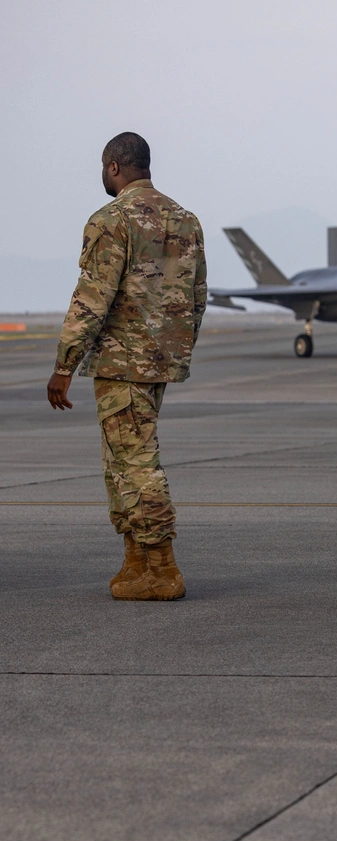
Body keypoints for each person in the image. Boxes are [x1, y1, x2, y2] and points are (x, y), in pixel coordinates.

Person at [47, 132, 206, 601]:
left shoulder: (111, 220)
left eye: (103, 166)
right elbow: (197, 297)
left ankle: (163, 568)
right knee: (119, 460)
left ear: (115, 166)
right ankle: (135, 559)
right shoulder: (186, 220)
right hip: (160, 361)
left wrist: (64, 365)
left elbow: (92, 298)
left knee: (135, 462)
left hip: (121, 362)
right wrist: (175, 351)